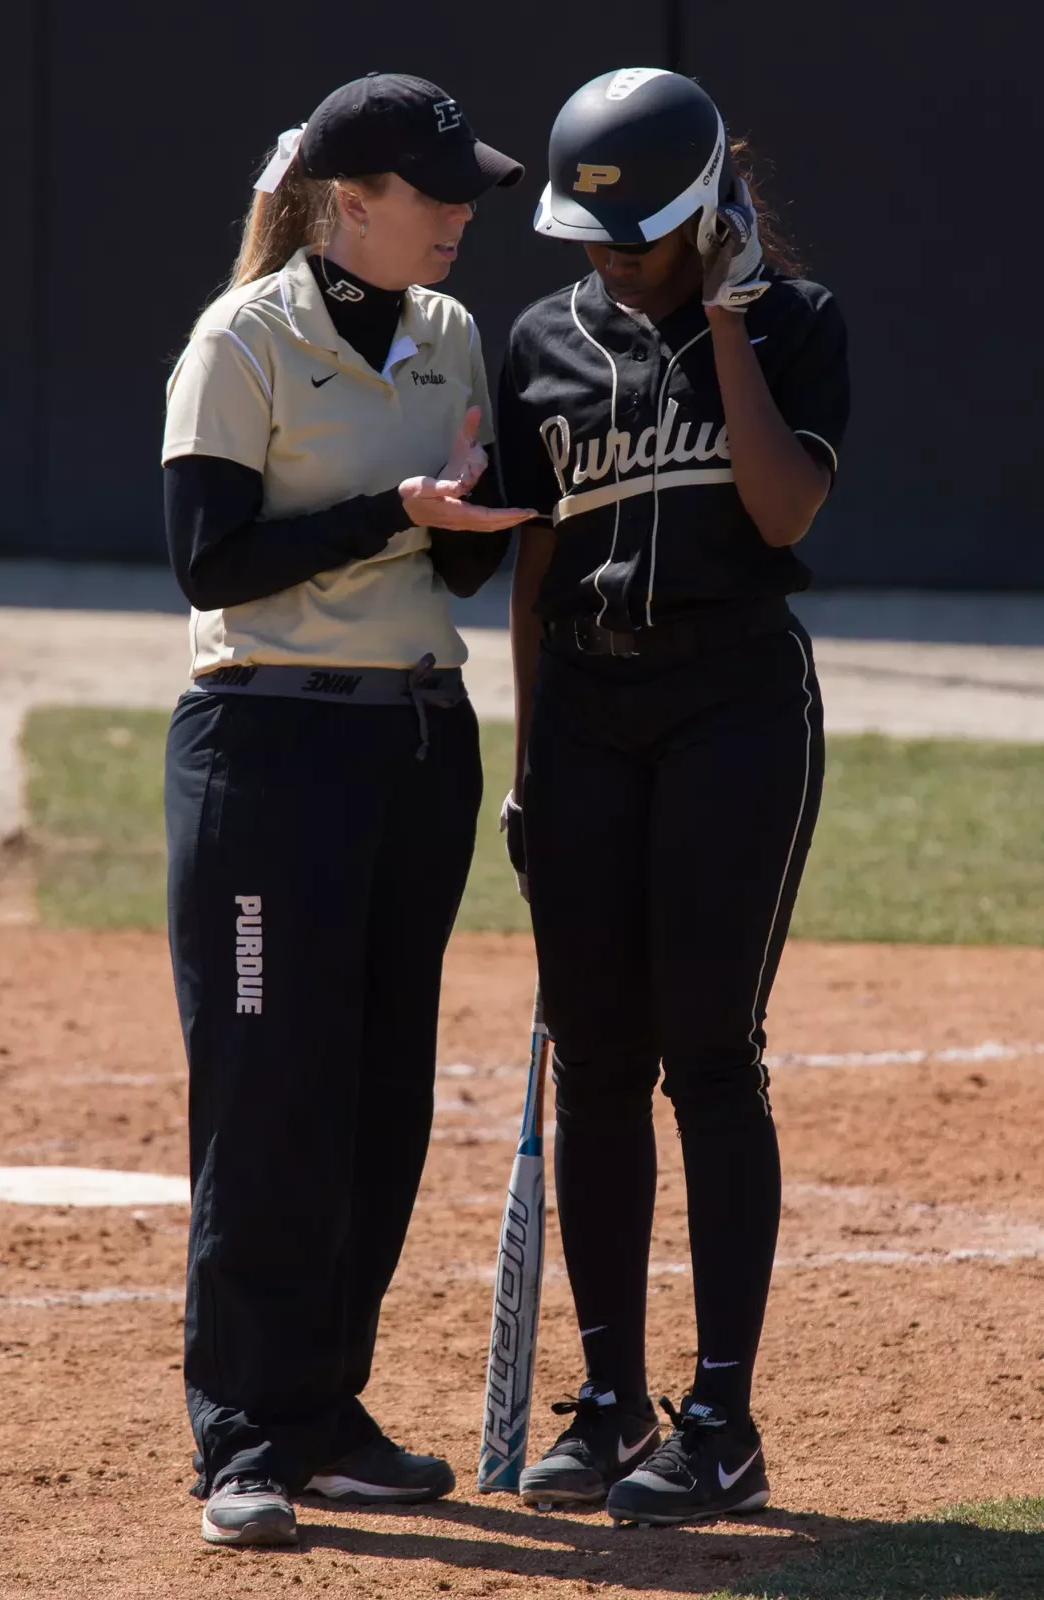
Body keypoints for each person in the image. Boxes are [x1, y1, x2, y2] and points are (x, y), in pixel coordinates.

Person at [161, 72, 532, 1548]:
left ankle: (323, 1408)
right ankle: (244, 1438)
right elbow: (207, 560)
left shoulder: (450, 338)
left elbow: (452, 577)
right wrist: (397, 515)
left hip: (417, 749)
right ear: (346, 200)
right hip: (266, 749)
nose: (458, 219)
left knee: (378, 1099)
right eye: (432, 196)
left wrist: (468, 521)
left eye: (464, 197)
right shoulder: (240, 336)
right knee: (269, 1098)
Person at [498, 67, 850, 1525]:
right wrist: (522, 762)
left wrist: (721, 311)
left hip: (732, 708)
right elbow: (527, 569)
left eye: (638, 236)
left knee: (706, 1051)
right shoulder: (534, 340)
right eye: (589, 237)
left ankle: (718, 1417)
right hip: (581, 713)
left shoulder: (793, 324)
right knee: (593, 1058)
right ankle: (605, 1401)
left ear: (704, 215)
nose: (605, 259)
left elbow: (781, 508)